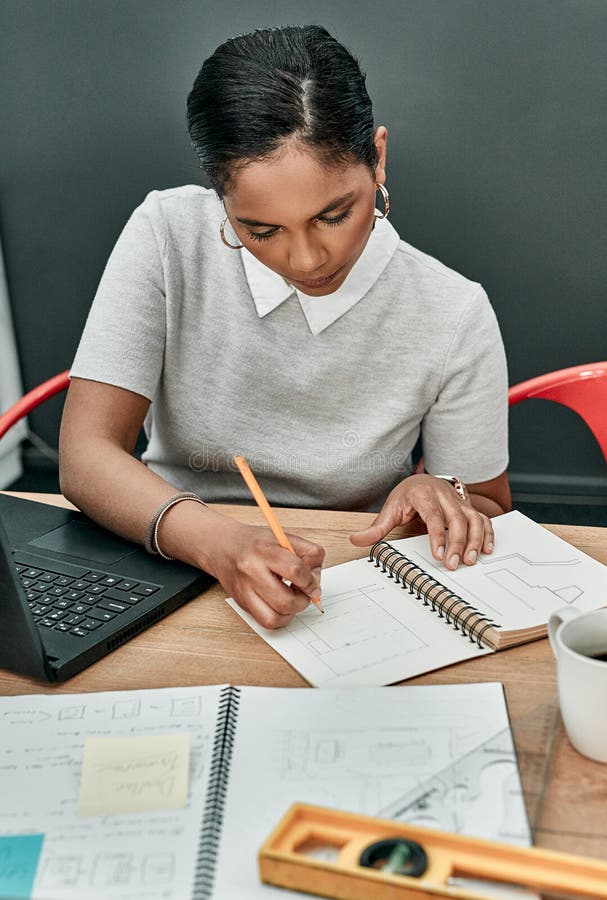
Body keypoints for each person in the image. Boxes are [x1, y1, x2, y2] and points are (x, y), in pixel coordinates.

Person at [59, 25, 511, 631]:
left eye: (334, 214)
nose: (306, 260)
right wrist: (220, 545)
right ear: (220, 199)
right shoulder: (167, 234)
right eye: (261, 231)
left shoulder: (454, 311)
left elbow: (487, 505)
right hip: (165, 560)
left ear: (377, 159)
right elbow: (85, 455)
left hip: (349, 592)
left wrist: (443, 502)